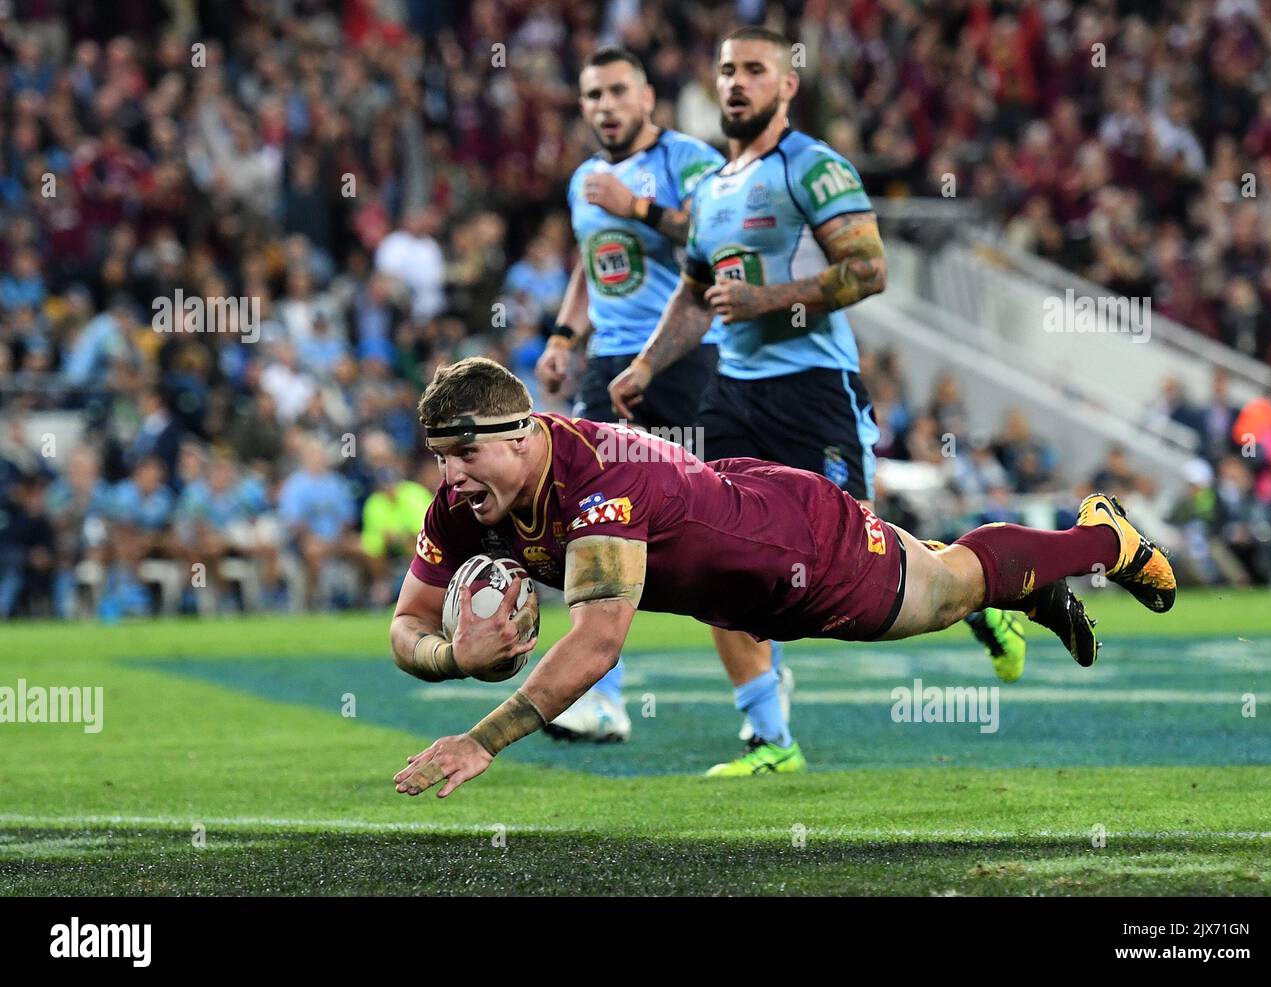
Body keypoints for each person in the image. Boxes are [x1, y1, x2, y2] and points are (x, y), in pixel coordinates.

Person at [389, 358, 1175, 798]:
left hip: (790, 548)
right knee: (944, 576)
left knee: (946, 591)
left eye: (466, 453)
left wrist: (481, 737)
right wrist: (450, 658)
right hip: (740, 529)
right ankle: (1025, 583)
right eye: (440, 457)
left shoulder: (595, 480)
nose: (451, 476)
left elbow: (597, 645)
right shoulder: (465, 502)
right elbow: (407, 622)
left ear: (524, 435)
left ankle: (1101, 538)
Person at [608, 27, 1026, 775]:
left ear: (787, 85)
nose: (737, 83)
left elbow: (869, 268)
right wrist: (646, 364)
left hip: (813, 394)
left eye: (754, 70)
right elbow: (699, 296)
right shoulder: (710, 190)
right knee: (712, 555)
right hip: (732, 394)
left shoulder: (813, 167)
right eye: (728, 70)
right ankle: (770, 737)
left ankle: (978, 588)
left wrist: (770, 298)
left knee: (861, 562)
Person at [531, 45, 726, 743]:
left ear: (648, 97)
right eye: (592, 95)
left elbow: (716, 236)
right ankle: (601, 696)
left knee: (716, 526)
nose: (605, 105)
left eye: (617, 91)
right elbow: (590, 270)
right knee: (588, 521)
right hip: (604, 364)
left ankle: (765, 666)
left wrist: (638, 206)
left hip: (685, 356)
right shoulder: (583, 178)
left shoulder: (689, 161)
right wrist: (561, 336)